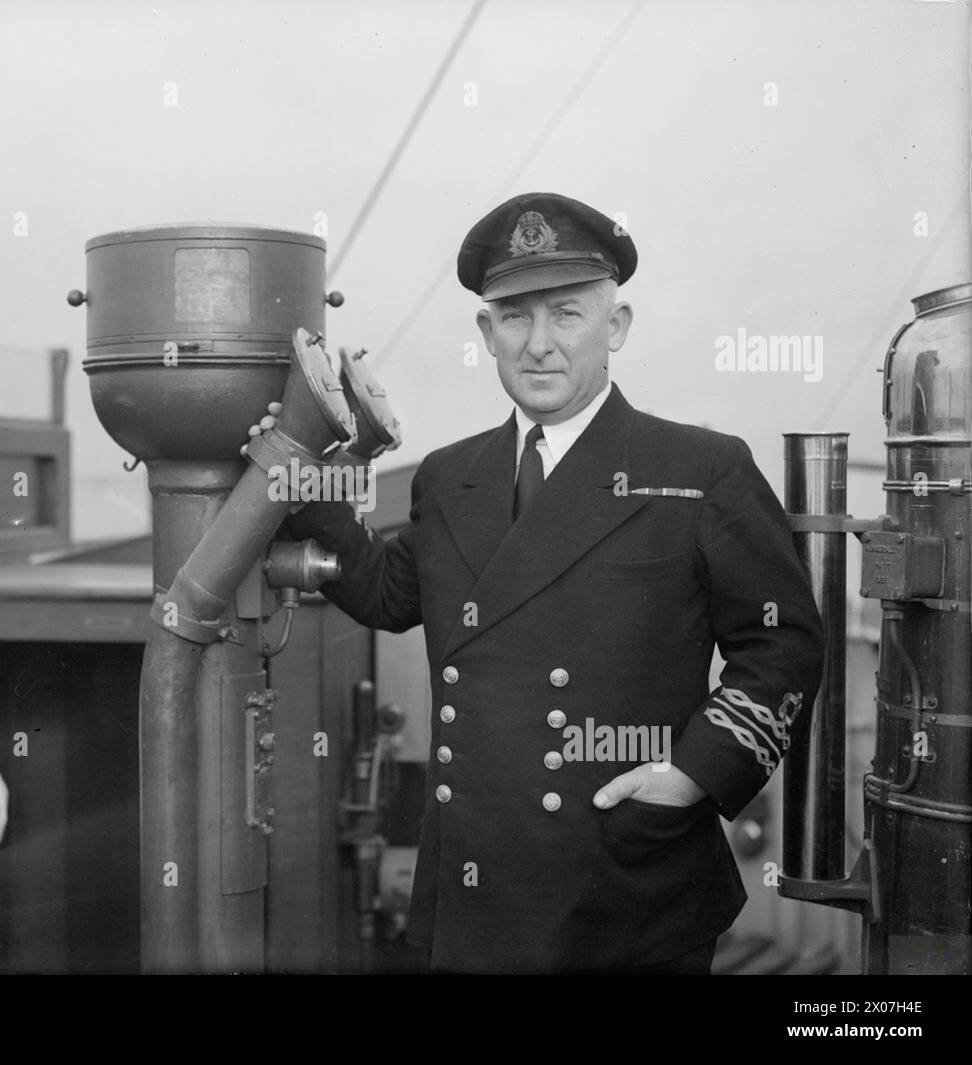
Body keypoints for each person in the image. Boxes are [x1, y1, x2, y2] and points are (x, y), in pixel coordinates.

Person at [260, 192, 825, 974]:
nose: (539, 345)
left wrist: (694, 774)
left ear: (615, 326)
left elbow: (783, 644)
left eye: (566, 314)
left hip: (624, 884)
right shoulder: (451, 477)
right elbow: (389, 593)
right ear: (486, 332)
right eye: (515, 317)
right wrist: (299, 479)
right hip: (476, 888)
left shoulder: (701, 471)